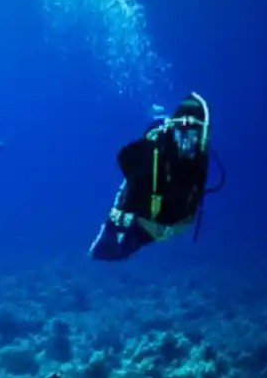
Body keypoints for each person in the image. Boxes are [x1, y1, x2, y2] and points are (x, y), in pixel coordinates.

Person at [89, 92, 224, 261]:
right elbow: (126, 160)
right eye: (181, 130)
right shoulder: (153, 151)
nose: (187, 141)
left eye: (194, 132)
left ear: (204, 135)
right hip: (146, 222)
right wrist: (114, 223)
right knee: (109, 254)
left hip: (168, 222)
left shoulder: (201, 155)